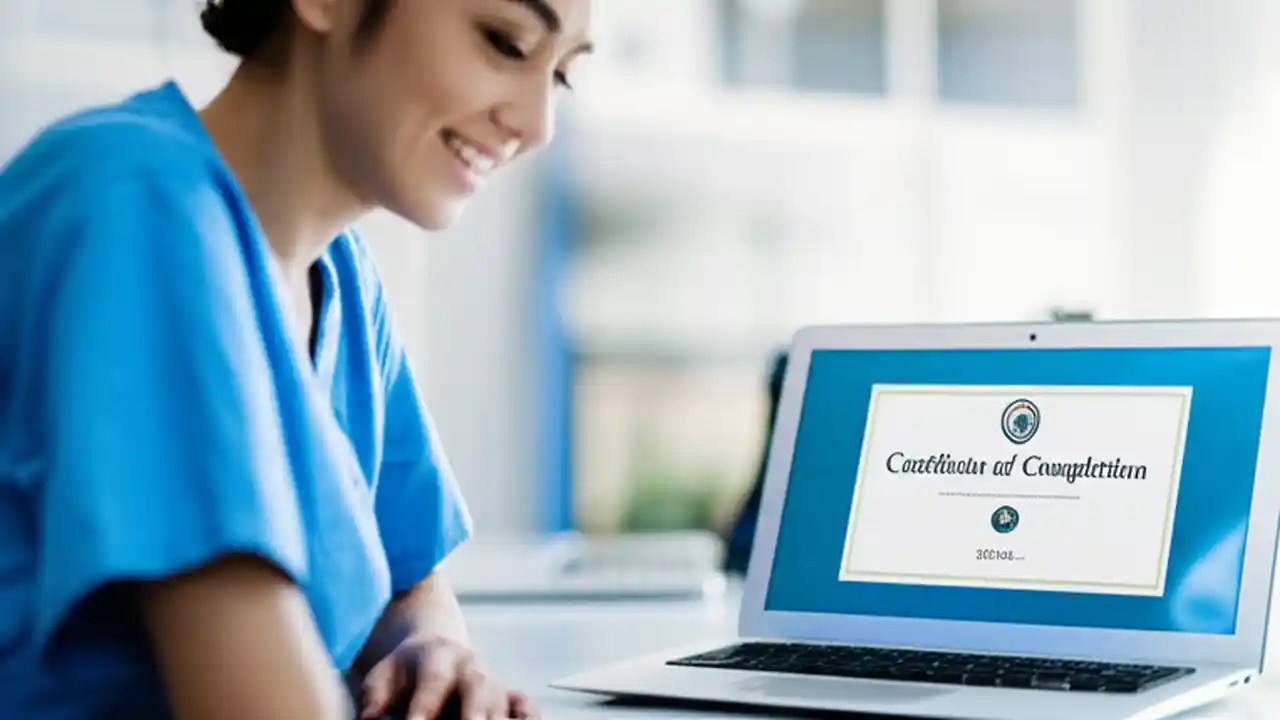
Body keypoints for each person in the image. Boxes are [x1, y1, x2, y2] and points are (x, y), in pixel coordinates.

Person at [0, 0, 593, 718]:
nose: (535, 126)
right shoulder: (130, 201)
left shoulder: (339, 272)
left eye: (560, 76)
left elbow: (408, 575)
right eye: (506, 43)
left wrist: (428, 648)